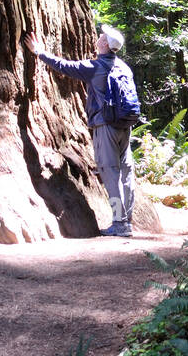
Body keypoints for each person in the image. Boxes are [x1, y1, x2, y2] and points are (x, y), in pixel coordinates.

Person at [24, 24, 137, 238]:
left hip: (105, 126)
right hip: (125, 124)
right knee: (125, 172)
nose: (98, 37)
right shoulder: (123, 67)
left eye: (101, 36)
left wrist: (39, 52)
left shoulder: (96, 67)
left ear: (104, 44)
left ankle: (120, 223)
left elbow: (65, 66)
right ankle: (126, 220)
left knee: (109, 172)